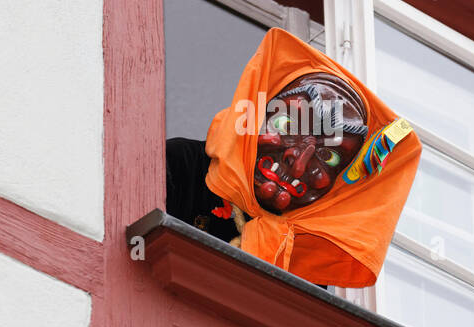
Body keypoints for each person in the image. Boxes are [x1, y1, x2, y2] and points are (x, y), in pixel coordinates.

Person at [165, 27, 420, 288]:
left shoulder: (305, 262)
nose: (298, 164)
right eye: (287, 126)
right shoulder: (181, 167)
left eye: (327, 156)